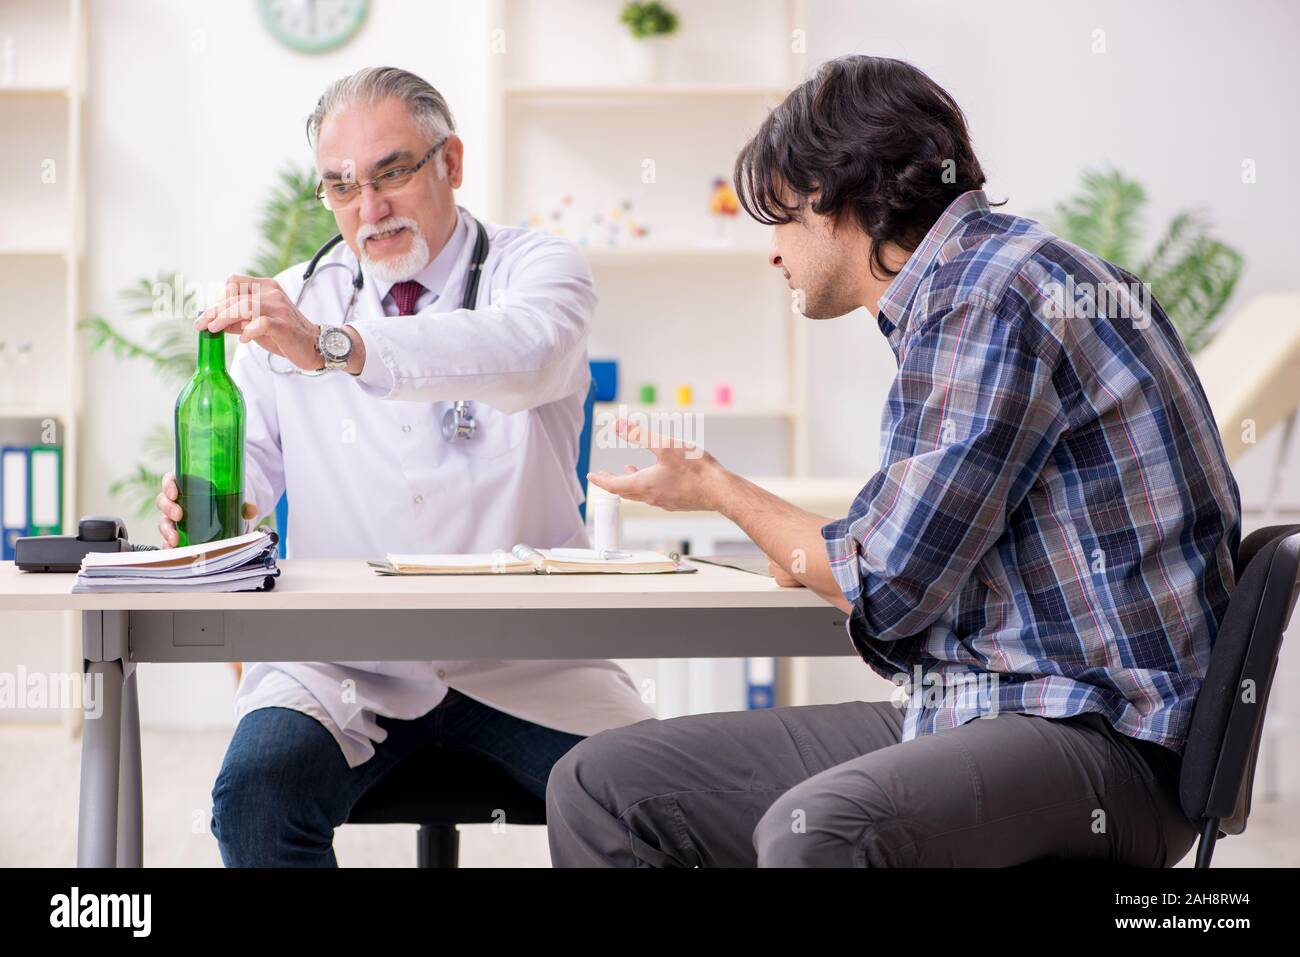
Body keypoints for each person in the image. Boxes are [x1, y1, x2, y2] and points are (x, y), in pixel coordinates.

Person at [545, 55, 1241, 868]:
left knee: (823, 829)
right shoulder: (992, 278)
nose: (773, 254)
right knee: (601, 781)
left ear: (835, 198)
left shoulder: (986, 295)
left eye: (777, 217)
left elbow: (884, 583)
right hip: (987, 706)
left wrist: (716, 489)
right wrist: (821, 554)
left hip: (1099, 739)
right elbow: (897, 548)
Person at [154, 66, 653, 867]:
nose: (370, 208)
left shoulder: (538, 272)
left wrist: (332, 347)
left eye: (392, 172)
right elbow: (244, 478)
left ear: (450, 161)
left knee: (655, 804)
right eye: (342, 186)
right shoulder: (291, 301)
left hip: (532, 658)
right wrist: (209, 504)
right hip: (343, 661)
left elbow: (526, 354)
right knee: (256, 797)